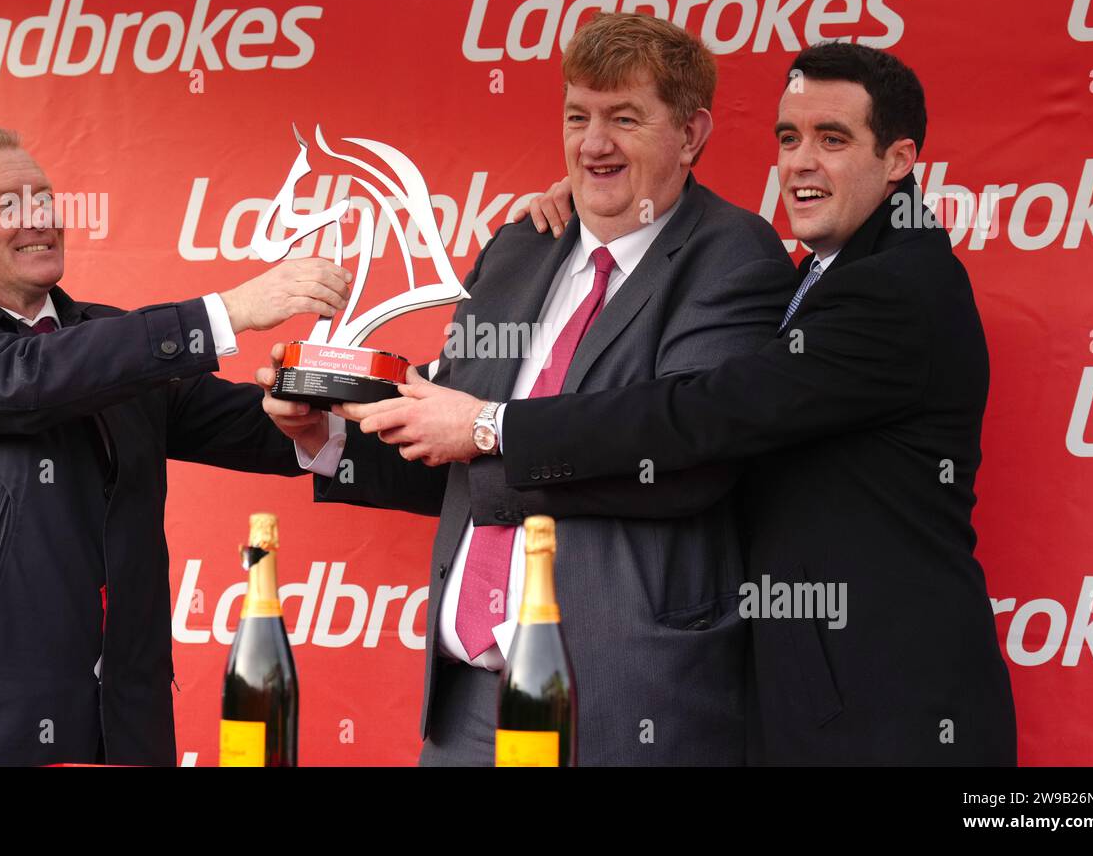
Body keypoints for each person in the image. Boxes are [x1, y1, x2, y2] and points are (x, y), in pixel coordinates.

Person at [360, 42, 1017, 765]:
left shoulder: (897, 289)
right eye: (789, 137)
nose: (801, 161)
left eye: (833, 139)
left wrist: (489, 424)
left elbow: (703, 414)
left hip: (887, 709)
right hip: (804, 696)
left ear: (899, 160)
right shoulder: (823, 274)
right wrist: (594, 200)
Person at [259, 13, 797, 765]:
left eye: (624, 118)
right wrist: (326, 437)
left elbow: (684, 454)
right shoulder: (518, 247)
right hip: (468, 702)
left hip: (623, 700)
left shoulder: (734, 256)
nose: (593, 142)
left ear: (692, 134)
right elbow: (456, 457)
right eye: (578, 115)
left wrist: (487, 425)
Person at [0, 127, 352, 765]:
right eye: (9, 205)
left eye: (45, 199)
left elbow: (250, 425)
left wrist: (322, 421)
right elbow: (30, 379)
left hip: (123, 722)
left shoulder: (110, 340)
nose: (39, 218)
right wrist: (223, 313)